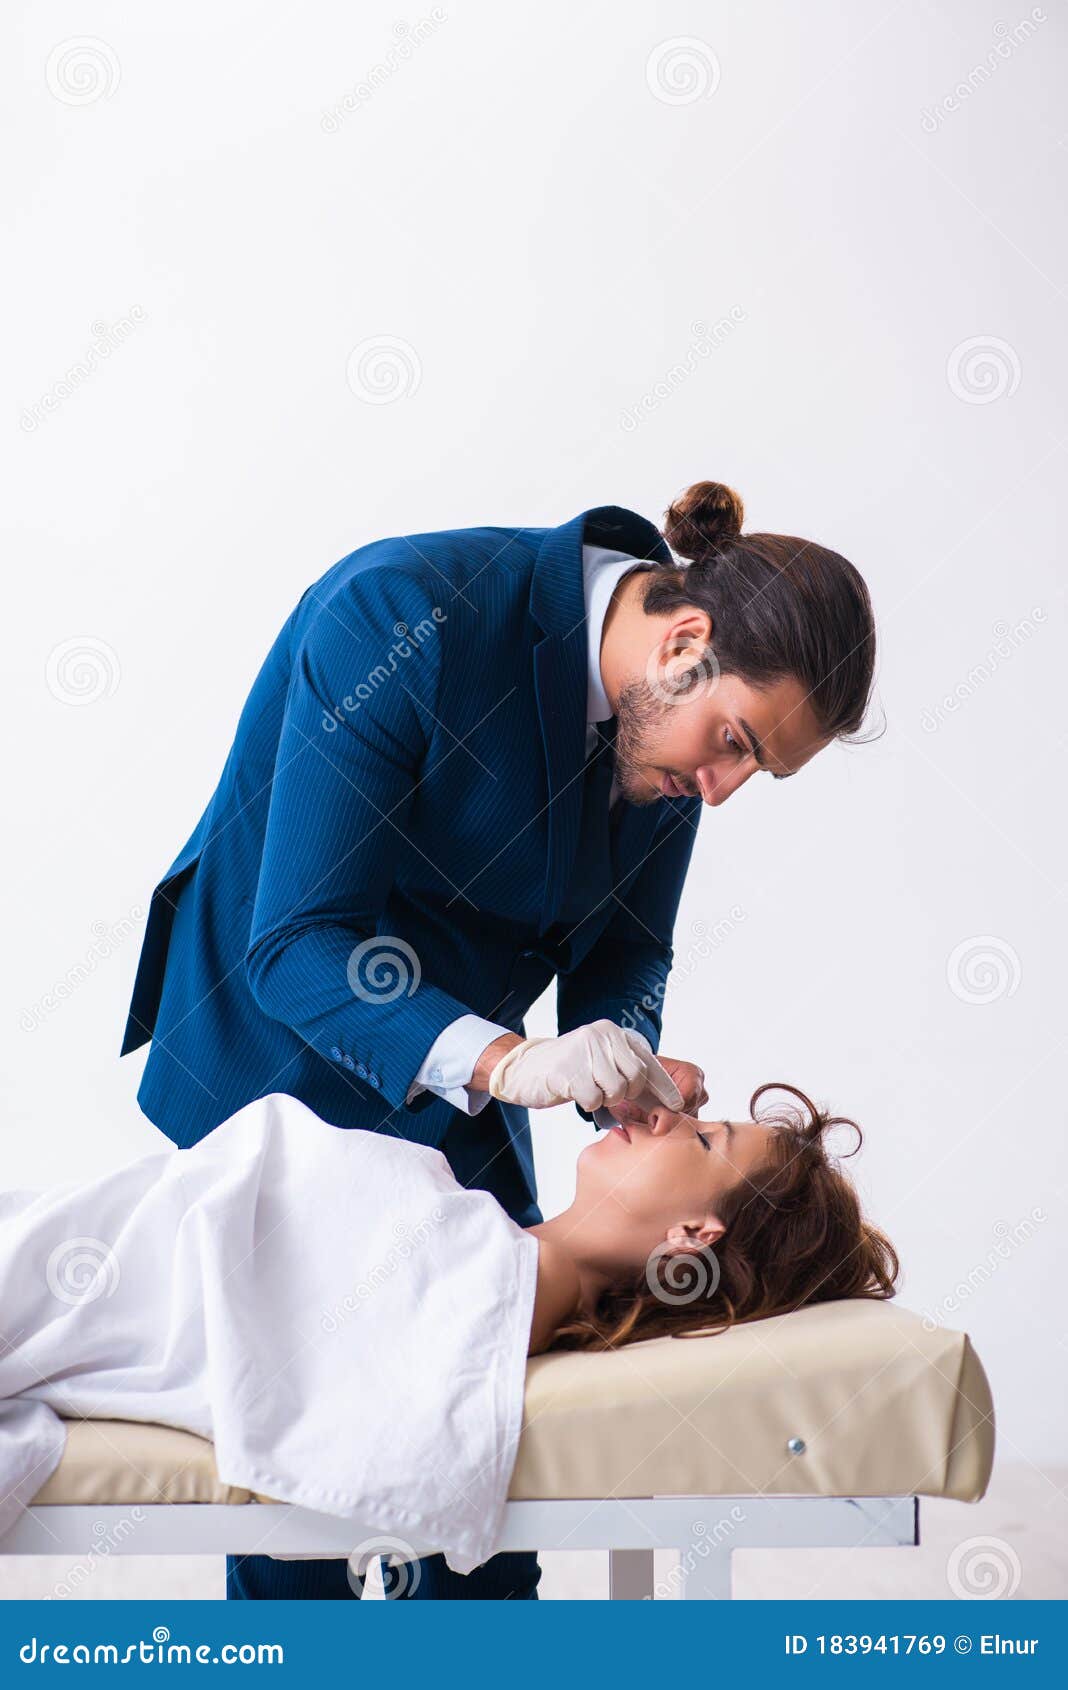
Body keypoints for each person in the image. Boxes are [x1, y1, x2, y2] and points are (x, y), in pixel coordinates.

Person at [119, 480, 878, 1598]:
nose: (717, 792)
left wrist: (618, 1059)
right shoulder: (400, 618)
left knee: (484, 1515)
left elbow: (626, 950)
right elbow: (299, 944)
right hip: (269, 1061)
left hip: (460, 1087)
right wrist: (510, 1062)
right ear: (684, 640)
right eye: (734, 743)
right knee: (298, 1530)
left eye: (752, 770)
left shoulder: (664, 741)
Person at [0, 1082, 897, 1586]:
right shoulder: (469, 1235)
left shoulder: (473, 1304)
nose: (663, 1112)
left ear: (693, 1240)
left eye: (703, 1140)